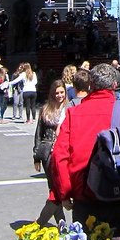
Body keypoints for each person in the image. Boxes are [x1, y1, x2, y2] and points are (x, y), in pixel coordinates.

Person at [51, 63, 120, 236]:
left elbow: (59, 155)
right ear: (115, 85)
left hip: (83, 195)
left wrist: (65, 192)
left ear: (91, 86)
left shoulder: (74, 113)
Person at [33, 79, 69, 226]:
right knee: (54, 188)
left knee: (58, 189)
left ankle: (45, 223)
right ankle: (58, 224)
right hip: (48, 153)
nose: (60, 95)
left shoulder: (70, 107)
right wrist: (36, 156)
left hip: (65, 152)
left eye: (62, 92)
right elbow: (38, 134)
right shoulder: (46, 109)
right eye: (57, 93)